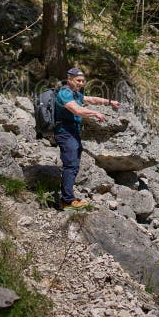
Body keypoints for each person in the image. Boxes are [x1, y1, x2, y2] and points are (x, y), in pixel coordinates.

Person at [55, 67, 120, 210]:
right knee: (70, 165)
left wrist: (109, 102)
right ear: (69, 79)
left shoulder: (75, 94)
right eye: (78, 80)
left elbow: (91, 99)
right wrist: (94, 113)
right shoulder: (64, 93)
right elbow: (77, 110)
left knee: (74, 164)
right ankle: (67, 201)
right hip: (65, 132)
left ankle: (68, 198)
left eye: (82, 81)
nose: (81, 83)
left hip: (73, 132)